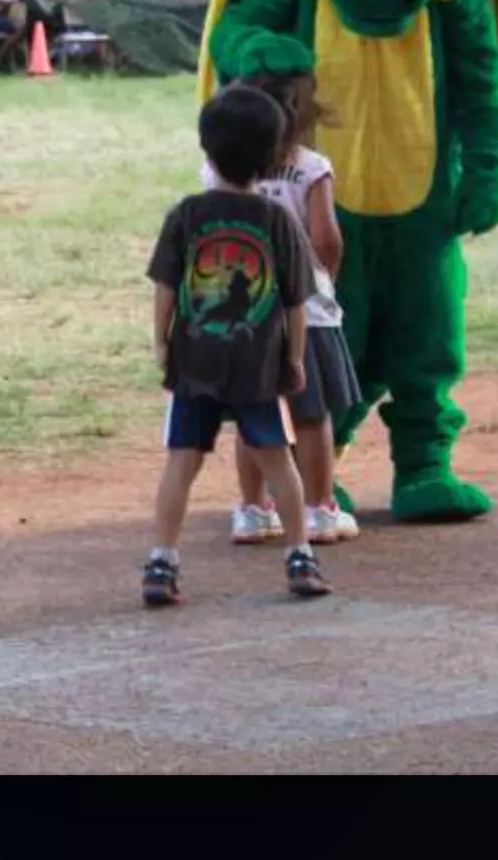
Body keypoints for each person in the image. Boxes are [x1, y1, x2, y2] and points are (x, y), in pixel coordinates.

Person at [143, 84, 330, 606]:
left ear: (206, 149)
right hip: (257, 363)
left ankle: (161, 561)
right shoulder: (278, 222)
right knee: (276, 460)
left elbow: (165, 288)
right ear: (273, 155)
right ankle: (299, 555)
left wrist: (162, 344)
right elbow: (296, 302)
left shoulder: (185, 214)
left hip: (195, 360)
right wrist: (294, 360)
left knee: (182, 460)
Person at [206, 73, 363, 548]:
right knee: (312, 414)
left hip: (244, 309)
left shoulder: (220, 171)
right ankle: (319, 509)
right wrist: (324, 279)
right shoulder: (312, 166)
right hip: (307, 310)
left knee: (254, 412)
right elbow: (327, 239)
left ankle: (253, 510)